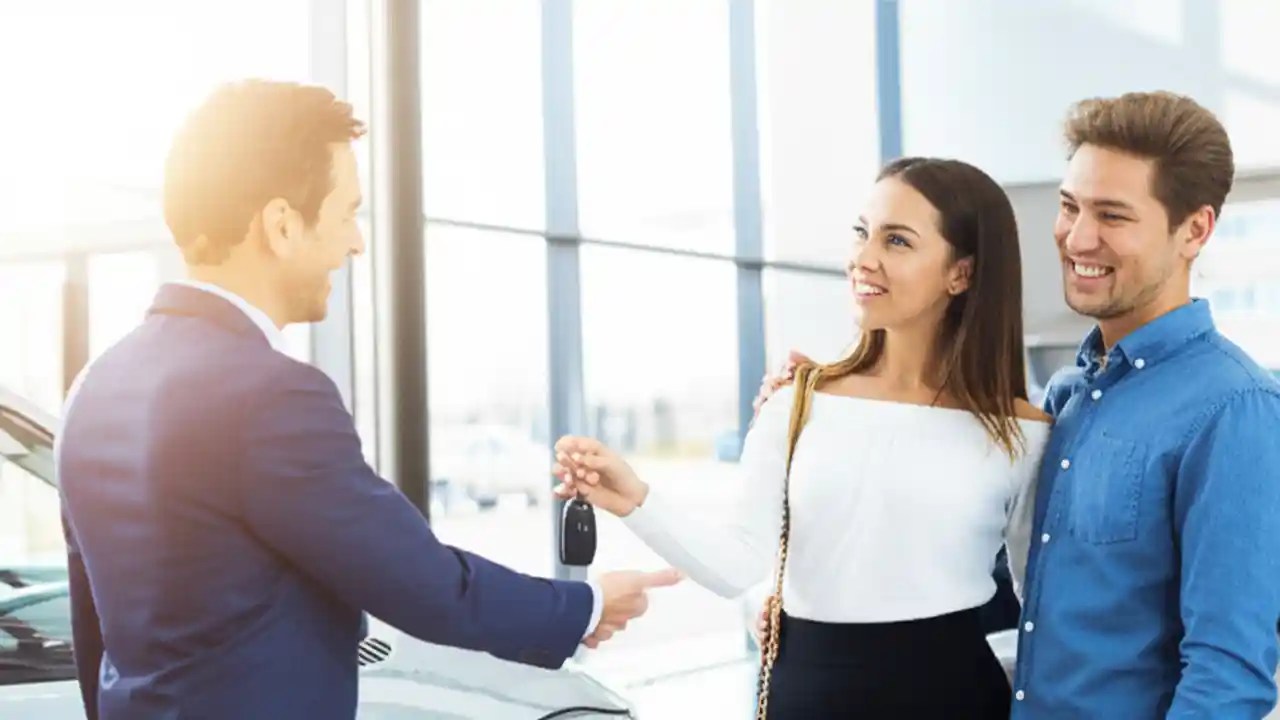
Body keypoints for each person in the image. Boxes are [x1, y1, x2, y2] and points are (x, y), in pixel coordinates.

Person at [55, 80, 680, 720]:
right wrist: (586, 607)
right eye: (345, 213)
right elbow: (421, 582)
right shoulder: (268, 395)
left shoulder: (93, 388)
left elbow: (94, 633)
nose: (354, 243)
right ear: (280, 225)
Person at [756, 91, 1280, 718]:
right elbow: (1013, 593)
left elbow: (1229, 674)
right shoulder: (1066, 398)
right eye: (1069, 206)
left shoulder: (1235, 409)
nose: (1078, 238)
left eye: (1112, 215)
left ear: (1194, 230)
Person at [554, 156, 1052, 718]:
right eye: (862, 233)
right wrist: (634, 499)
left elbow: (1041, 604)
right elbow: (738, 564)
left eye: (897, 241)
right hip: (809, 694)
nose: (864, 259)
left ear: (960, 274)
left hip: (956, 695)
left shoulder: (1022, 435)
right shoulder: (797, 403)